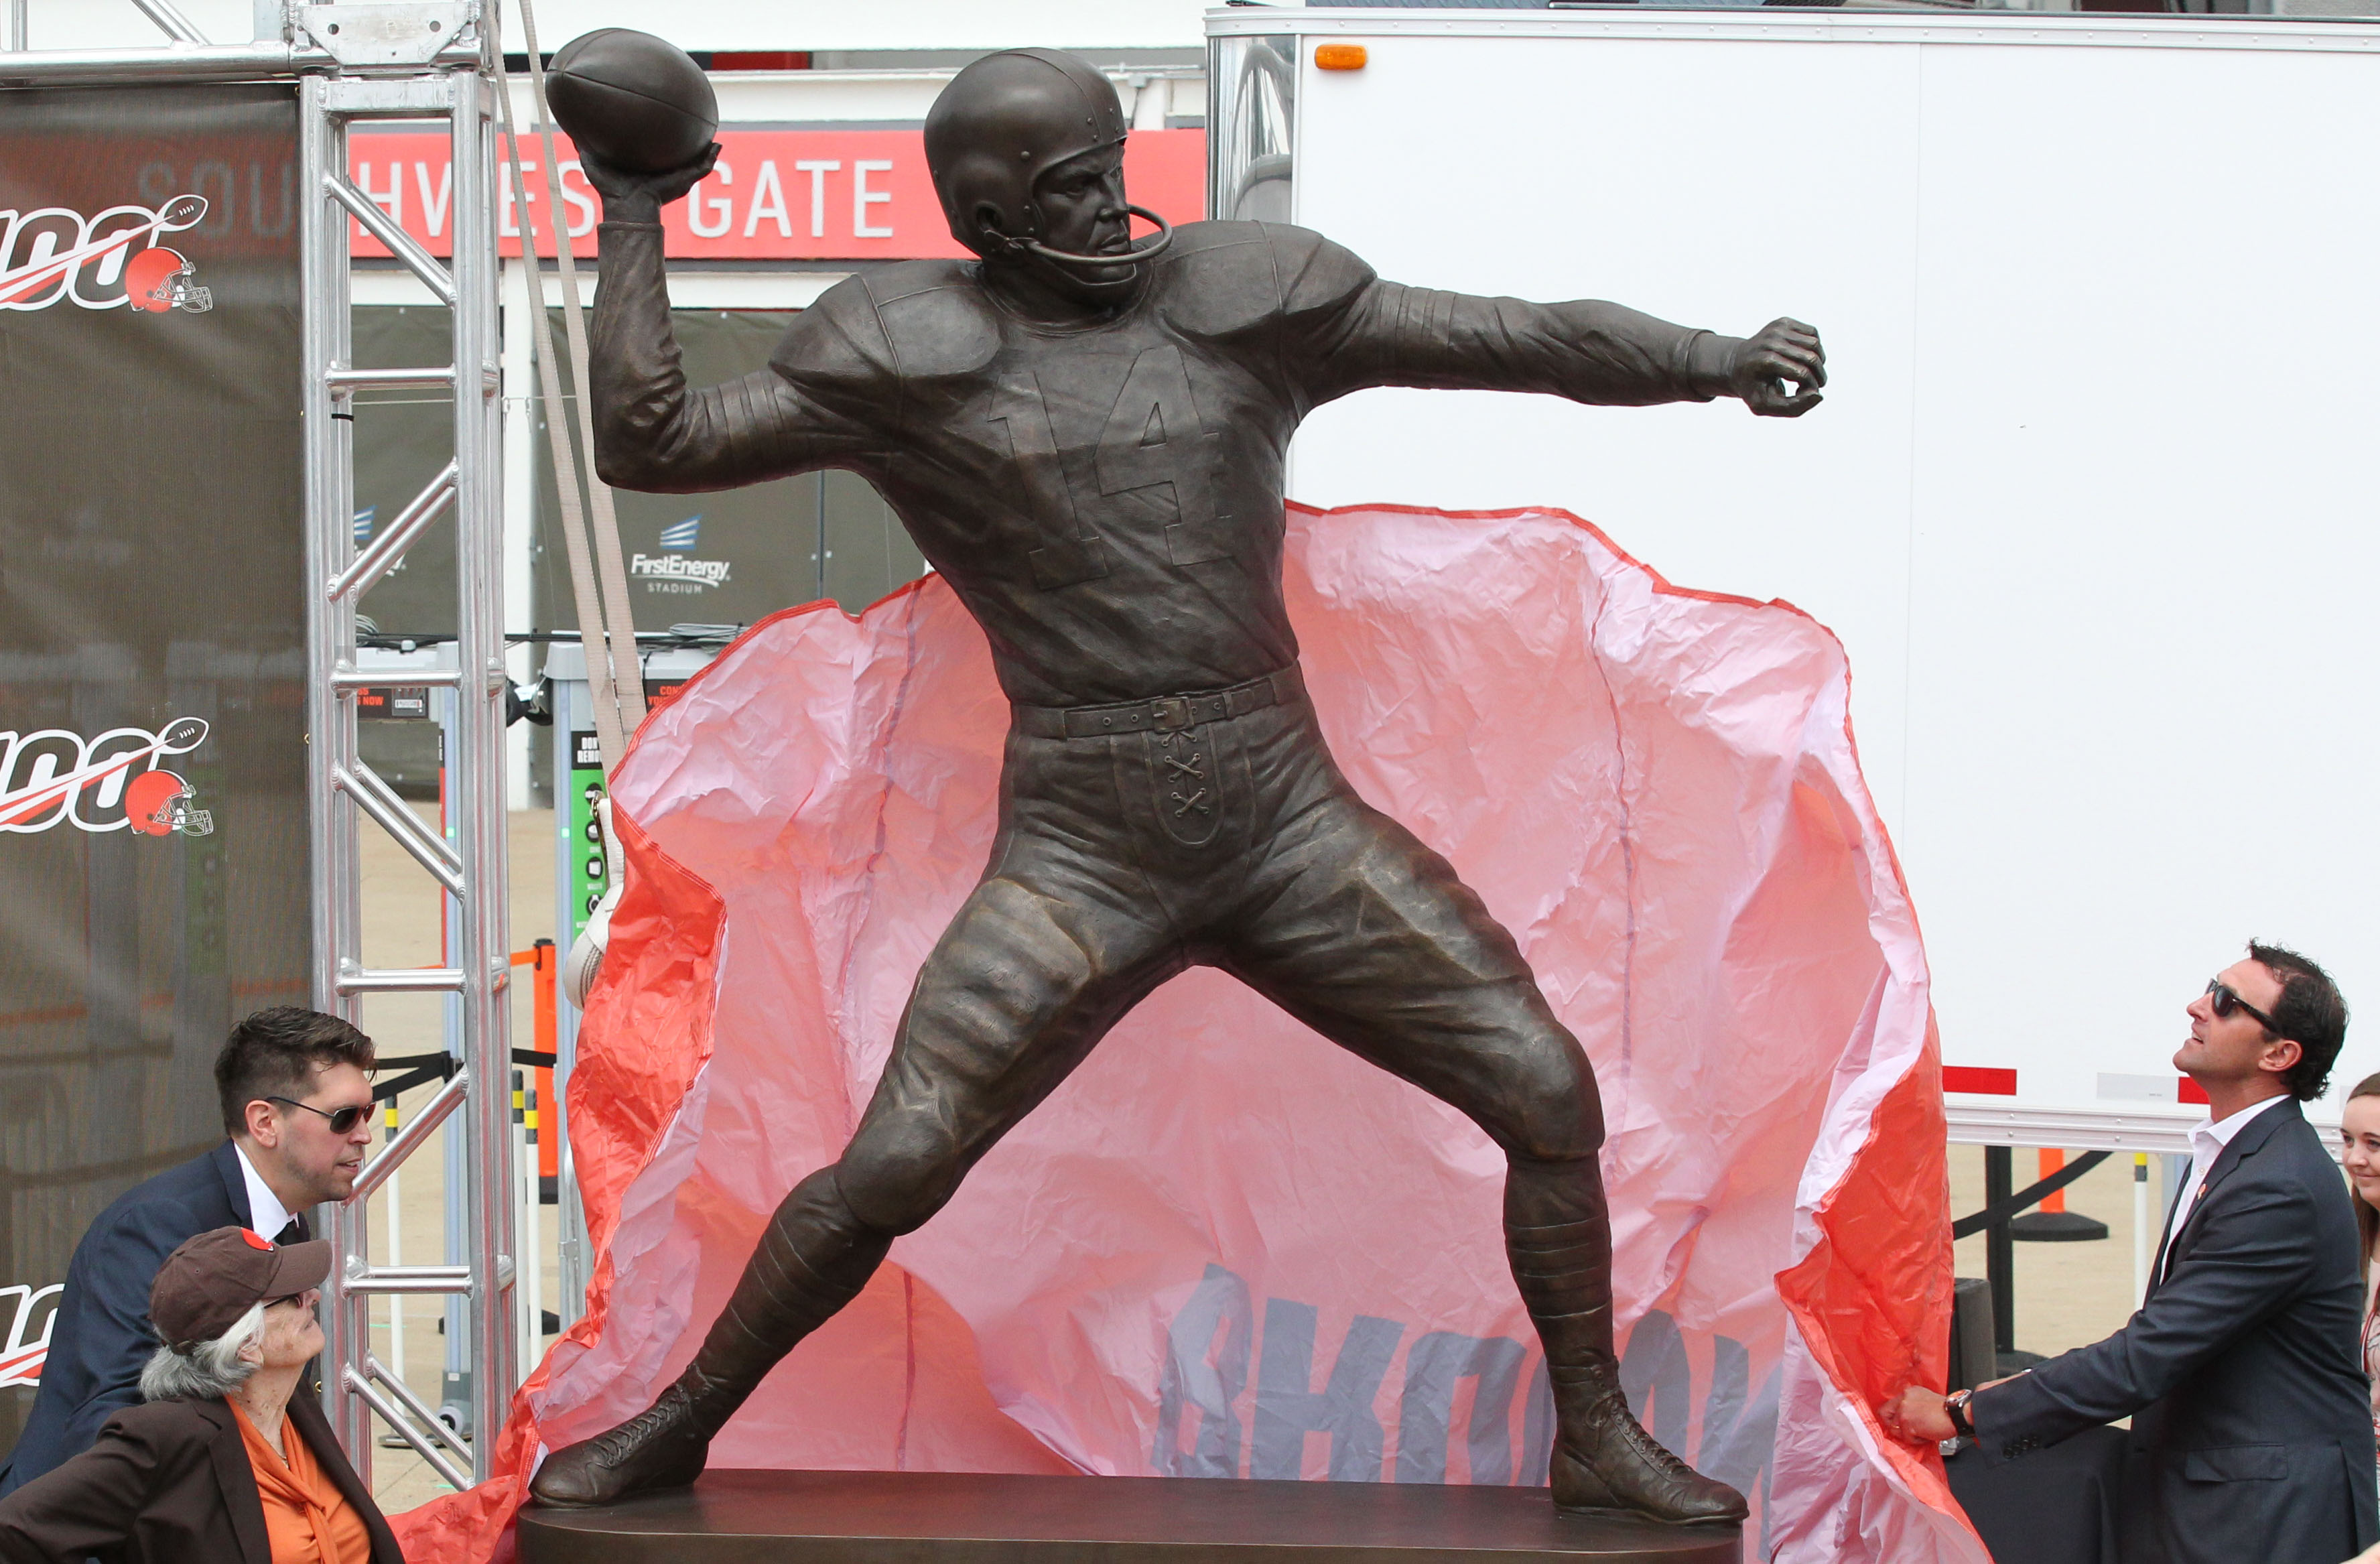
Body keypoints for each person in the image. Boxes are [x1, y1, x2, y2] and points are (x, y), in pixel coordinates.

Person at [529, 47, 1825, 1524]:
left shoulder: (1237, 305)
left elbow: (1509, 335)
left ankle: (1591, 1429)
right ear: (990, 219)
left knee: (1543, 1086)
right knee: (894, 1162)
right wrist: (633, 205)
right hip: (1082, 842)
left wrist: (1710, 358)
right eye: (1072, 190)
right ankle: (677, 1423)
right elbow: (653, 441)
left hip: (1282, 810)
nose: (1110, 209)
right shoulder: (905, 355)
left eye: (1111, 174)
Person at [1883, 943, 2375, 1564]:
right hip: (2224, 1496)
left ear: (2279, 1054)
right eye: (2211, 987)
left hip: (2265, 1514)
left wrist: (1964, 1412)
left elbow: (2147, 1356)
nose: (2198, 1006)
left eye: (2227, 1003)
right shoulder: (2243, 1156)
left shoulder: (2279, 1185)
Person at [0, 1010, 377, 1494]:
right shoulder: (158, 1225)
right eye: (344, 1117)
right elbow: (114, 1420)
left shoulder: (287, 1220)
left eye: (368, 1113)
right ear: (265, 1122)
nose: (364, 1135)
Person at [0, 1226, 402, 1563]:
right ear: (245, 1344)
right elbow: (16, 1530)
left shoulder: (292, 1405)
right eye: (294, 1298)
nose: (313, 1296)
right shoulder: (164, 1437)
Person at [2338, 1071, 2380, 1481]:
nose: (2354, 1159)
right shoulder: (2343, 1237)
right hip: (2353, 1469)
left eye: (2374, 1144)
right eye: (2348, 1140)